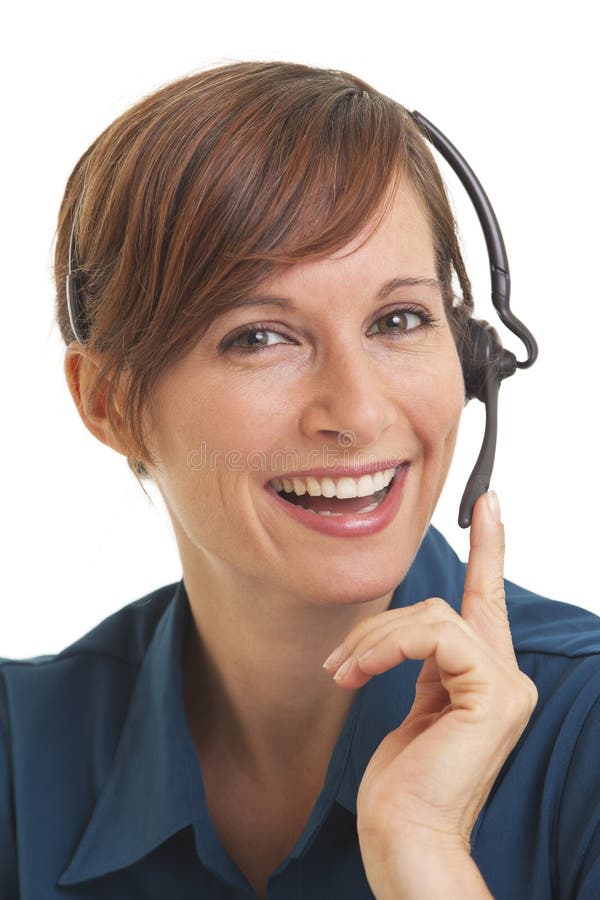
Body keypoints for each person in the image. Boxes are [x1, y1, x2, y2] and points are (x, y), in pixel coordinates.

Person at [1, 60, 599, 900]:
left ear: (471, 357)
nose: (355, 412)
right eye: (260, 337)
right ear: (109, 401)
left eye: (398, 320)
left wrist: (423, 854)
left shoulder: (585, 732)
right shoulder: (19, 756)